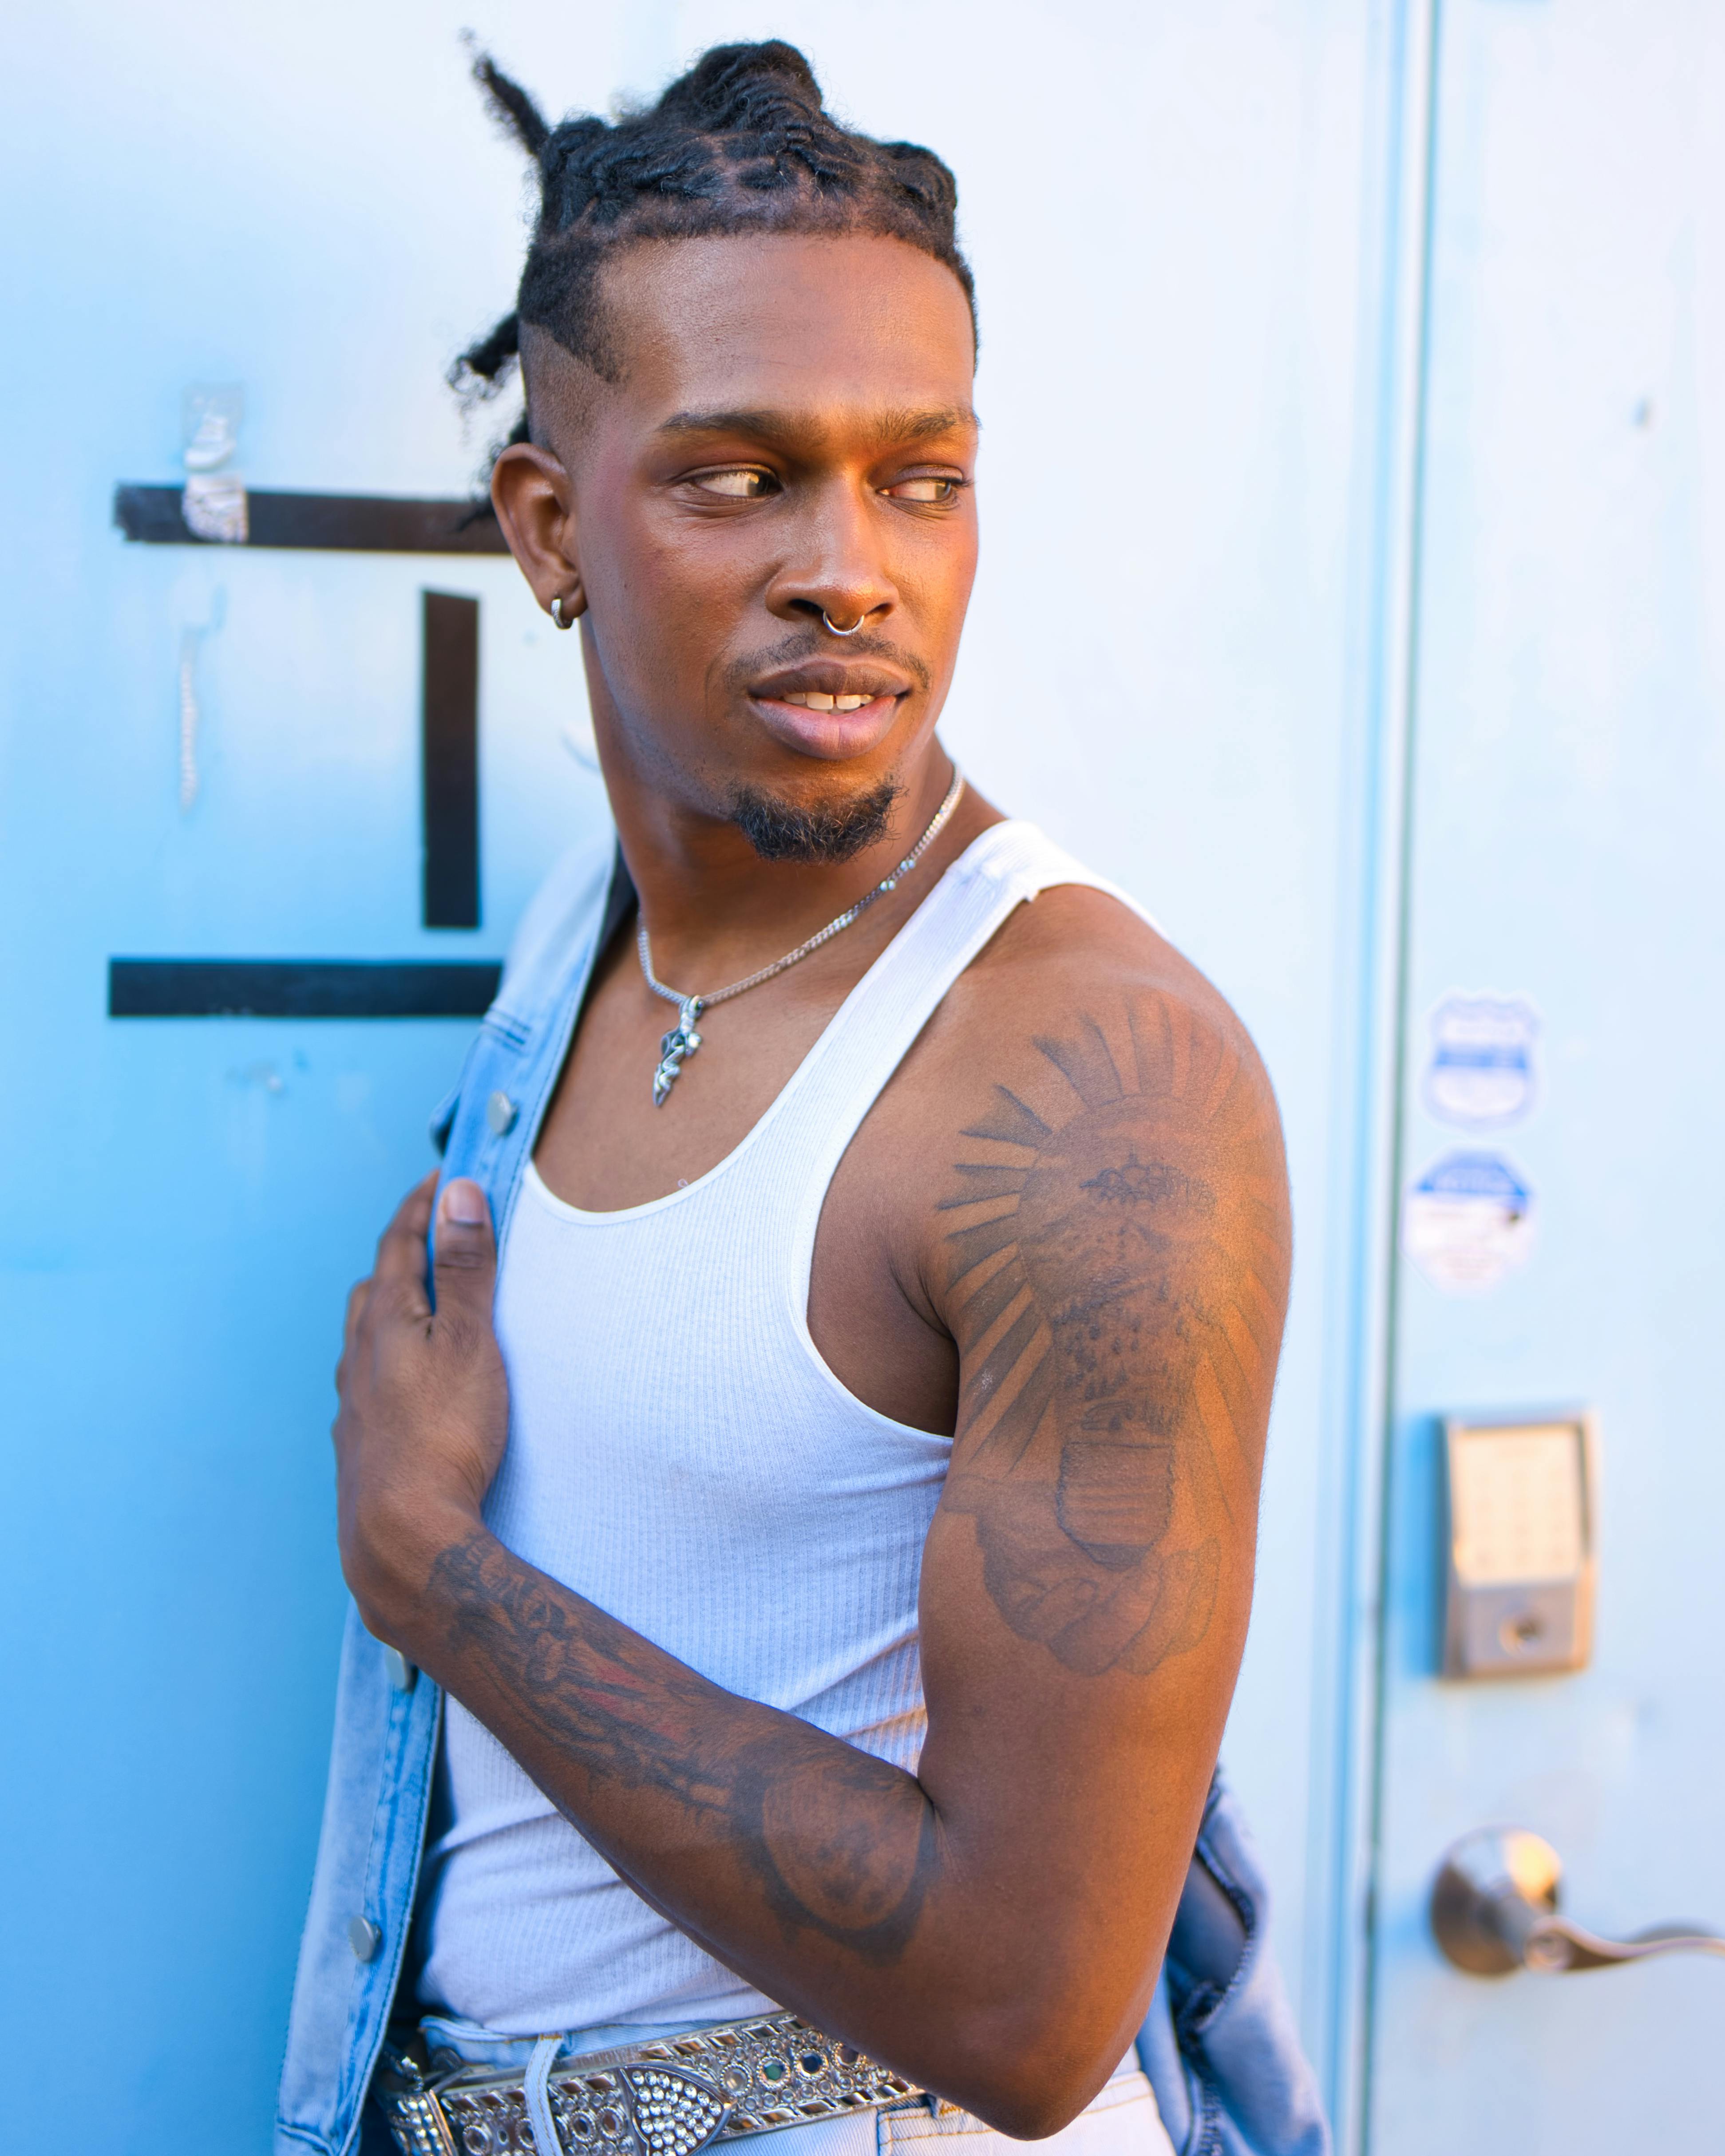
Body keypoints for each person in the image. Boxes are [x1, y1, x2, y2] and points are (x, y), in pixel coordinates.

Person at [276, 41, 1325, 2156]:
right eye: (743, 475)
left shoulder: (1089, 1094)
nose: (854, 565)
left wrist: (437, 1573)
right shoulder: (586, 938)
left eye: (919, 477)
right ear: (551, 527)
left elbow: (1031, 2011)